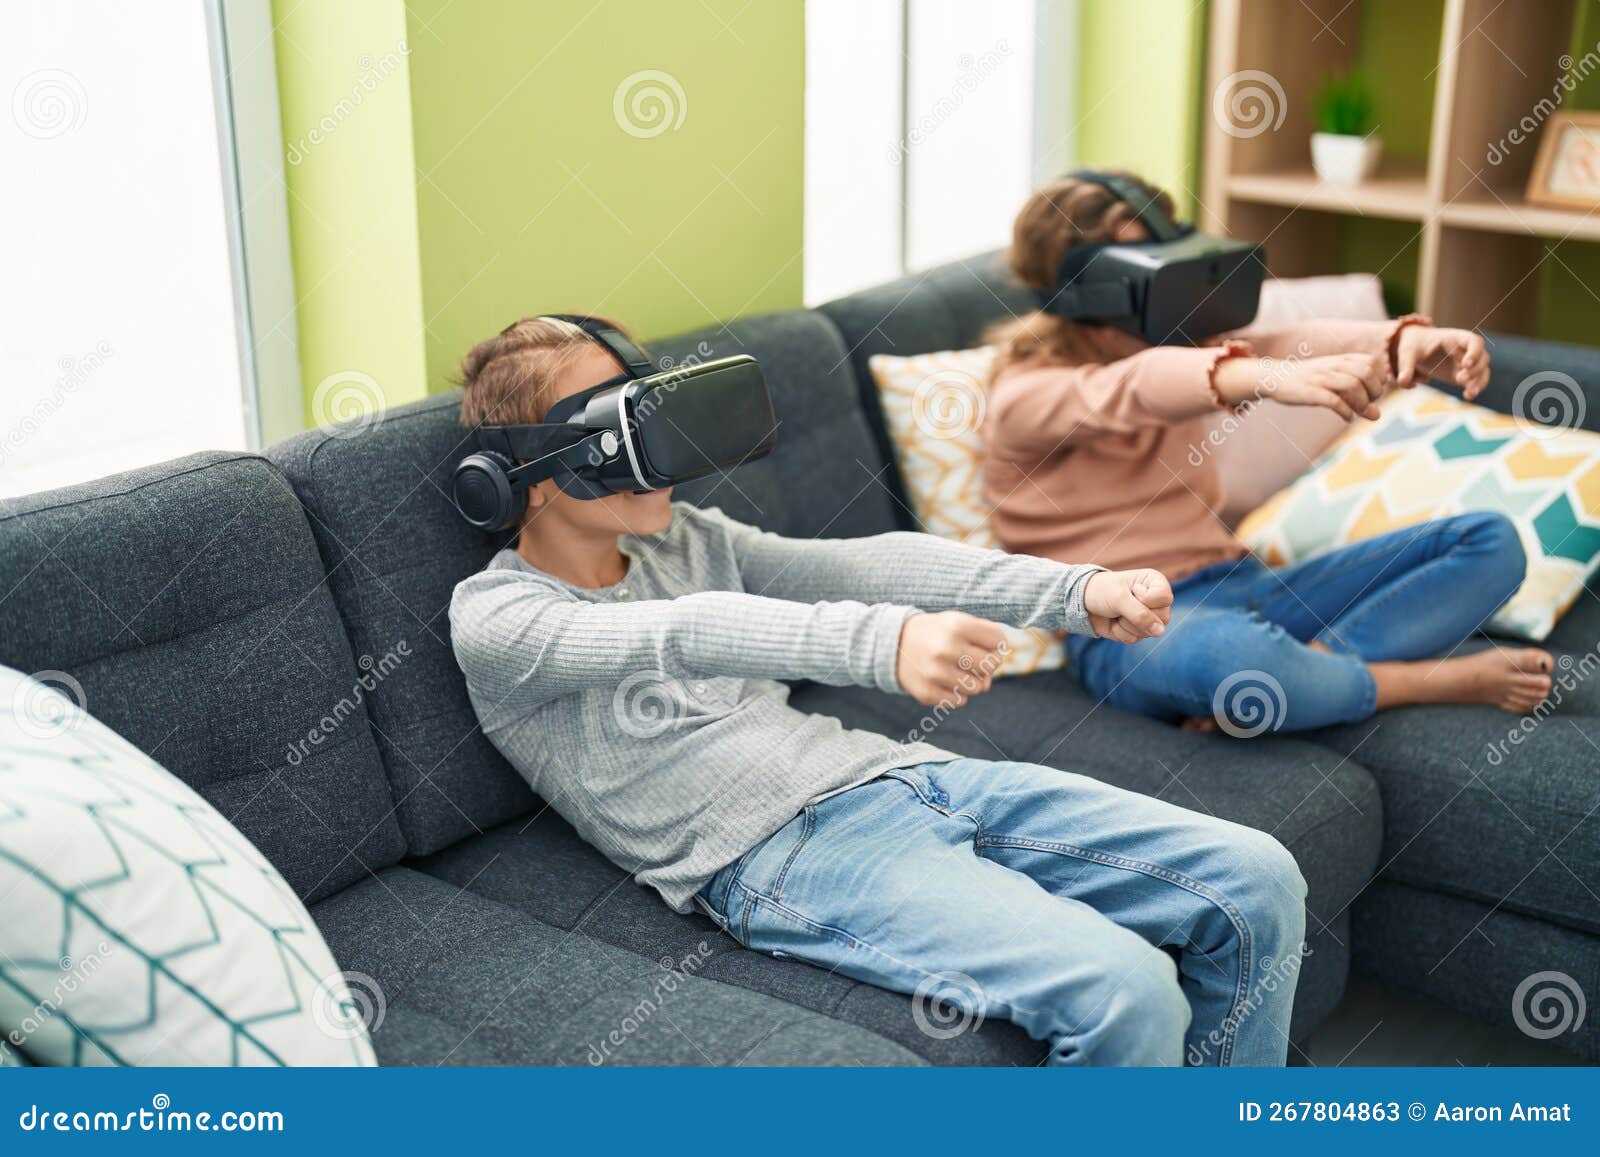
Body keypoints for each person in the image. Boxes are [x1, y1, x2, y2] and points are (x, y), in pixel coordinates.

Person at [448, 315, 1307, 1066]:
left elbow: (863, 559)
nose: (667, 454)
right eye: (625, 427)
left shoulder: (685, 538)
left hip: (892, 774)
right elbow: (682, 633)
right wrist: (885, 643)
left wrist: (1076, 592)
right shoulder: (497, 617)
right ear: (526, 471)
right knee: (1130, 992)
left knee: (1257, 881)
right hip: (775, 854)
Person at [984, 171, 1553, 734]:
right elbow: (1130, 388)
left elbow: (1290, 344)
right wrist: (1257, 376)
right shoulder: (1025, 397)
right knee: (1231, 654)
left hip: (1243, 581)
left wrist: (1404, 344)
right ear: (1085, 286)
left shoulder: (1179, 343)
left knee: (1490, 542)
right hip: (1124, 624)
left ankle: (1297, 682)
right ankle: (1420, 682)